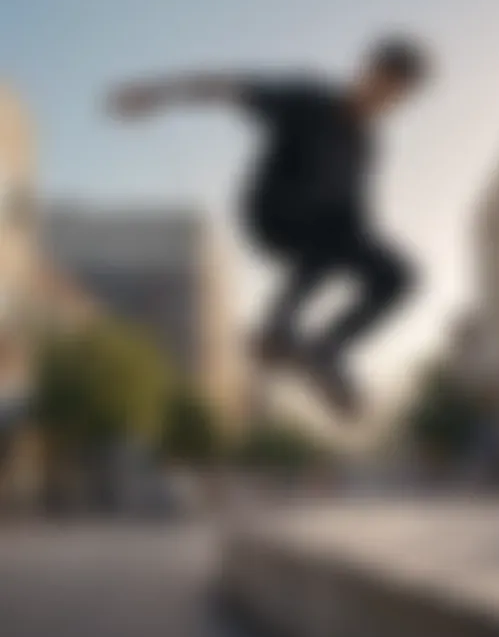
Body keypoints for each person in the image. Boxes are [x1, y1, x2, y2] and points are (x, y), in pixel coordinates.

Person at [107, 37, 430, 417]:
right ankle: (277, 329)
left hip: (324, 230)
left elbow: (357, 220)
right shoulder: (309, 101)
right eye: (381, 85)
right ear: (367, 71)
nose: (381, 101)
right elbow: (231, 88)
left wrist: (367, 261)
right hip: (271, 212)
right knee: (336, 227)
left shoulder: (366, 144)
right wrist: (156, 94)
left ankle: (326, 350)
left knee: (400, 275)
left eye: (393, 99)